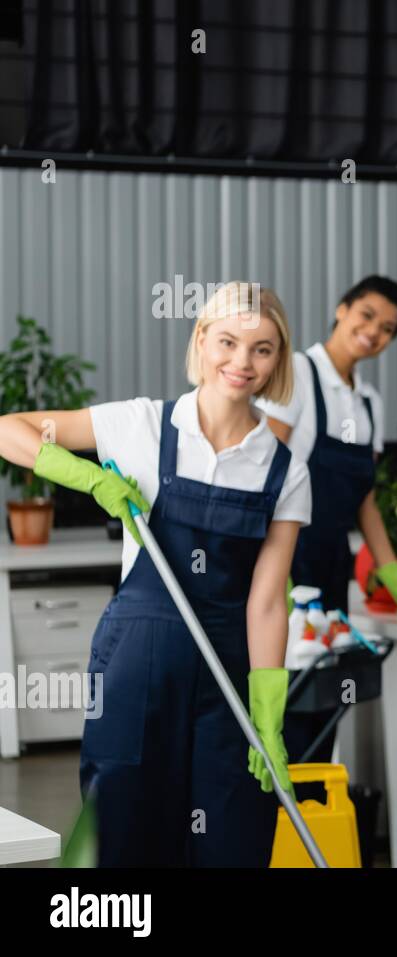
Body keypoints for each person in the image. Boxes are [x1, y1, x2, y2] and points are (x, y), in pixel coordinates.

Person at [0, 282, 311, 865]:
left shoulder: (284, 469)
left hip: (228, 672)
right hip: (138, 663)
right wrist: (89, 478)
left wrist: (269, 708)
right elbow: (7, 428)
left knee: (233, 833)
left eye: (262, 349)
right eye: (228, 341)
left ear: (278, 360)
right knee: (123, 829)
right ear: (202, 340)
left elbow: (268, 601)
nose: (242, 361)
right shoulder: (140, 424)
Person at [257, 276, 397, 762]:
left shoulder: (369, 402)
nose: (374, 331)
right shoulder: (297, 372)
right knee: (287, 696)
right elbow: (264, 472)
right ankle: (274, 803)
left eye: (388, 328)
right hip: (287, 563)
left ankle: (316, 802)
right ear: (342, 309)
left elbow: (366, 501)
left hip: (333, 563)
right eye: (367, 315)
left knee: (325, 695)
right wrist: (275, 570)